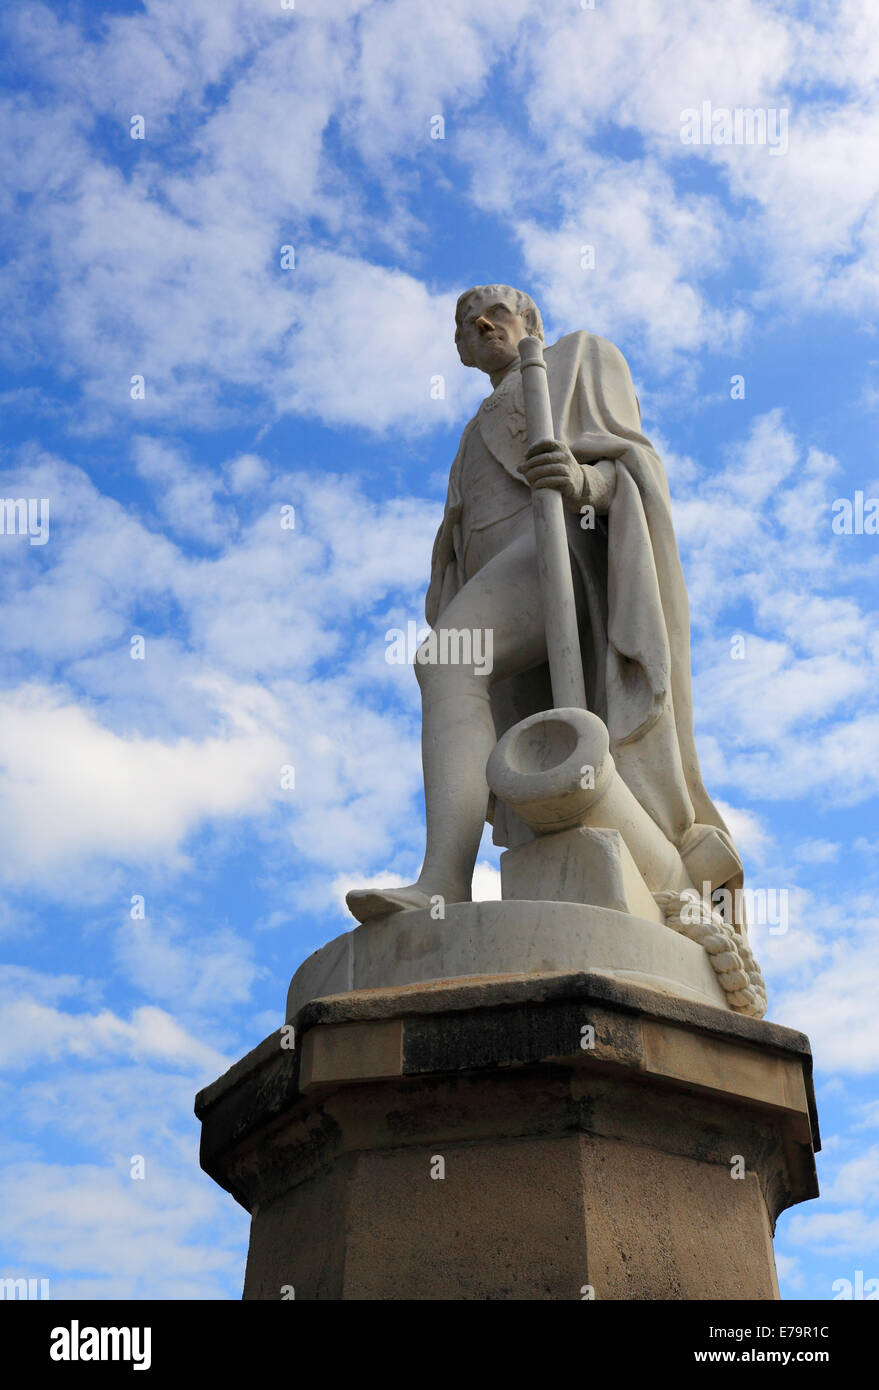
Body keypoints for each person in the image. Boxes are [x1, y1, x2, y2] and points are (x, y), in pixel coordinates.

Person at [346, 284, 742, 923]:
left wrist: (586, 480)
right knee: (515, 750)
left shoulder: (580, 356)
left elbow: (636, 462)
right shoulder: (471, 433)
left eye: (494, 312)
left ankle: (444, 882)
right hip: (505, 585)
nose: (478, 323)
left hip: (563, 555)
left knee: (446, 661)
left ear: (529, 319)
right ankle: (473, 880)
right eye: (464, 323)